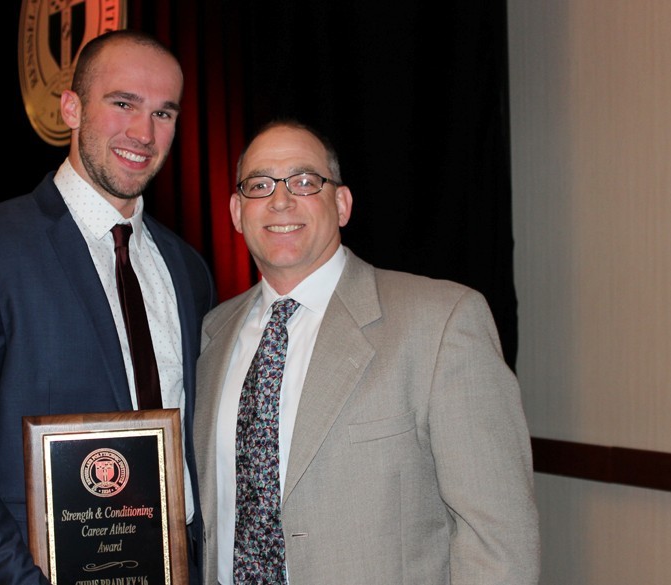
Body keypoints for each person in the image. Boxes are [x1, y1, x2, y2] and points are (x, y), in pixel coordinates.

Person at [0, 30, 215, 585]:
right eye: (123, 103)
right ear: (71, 107)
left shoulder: (186, 268)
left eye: (164, 113)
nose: (143, 132)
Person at [194, 120, 540, 584]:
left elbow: (499, 540)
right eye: (260, 185)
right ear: (237, 212)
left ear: (341, 204)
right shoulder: (214, 333)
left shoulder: (441, 322)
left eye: (303, 181)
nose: (280, 200)